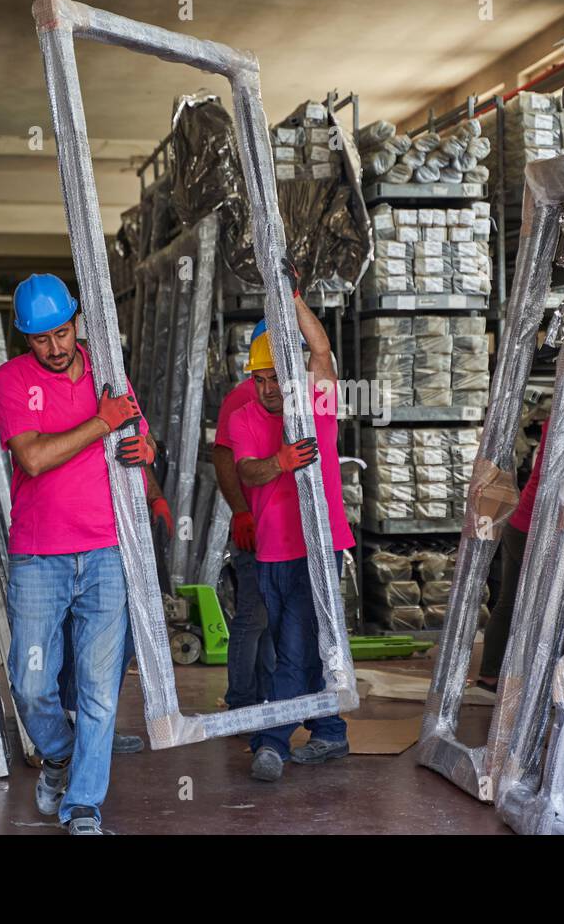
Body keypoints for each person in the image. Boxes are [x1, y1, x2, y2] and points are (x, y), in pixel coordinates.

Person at [0, 273, 168, 835]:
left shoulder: (109, 374)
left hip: (105, 553)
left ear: (76, 324)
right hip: (39, 555)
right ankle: (61, 755)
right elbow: (35, 458)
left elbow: (135, 437)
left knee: (98, 688)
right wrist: (101, 422)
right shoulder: (12, 380)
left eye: (62, 333)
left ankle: (84, 806)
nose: (54, 347)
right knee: (31, 682)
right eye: (41, 339)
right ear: (26, 339)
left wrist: (147, 450)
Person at [228, 295, 355, 782]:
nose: (266, 390)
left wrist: (293, 300)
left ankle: (272, 742)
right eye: (258, 380)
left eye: (275, 379)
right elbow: (247, 472)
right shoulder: (243, 418)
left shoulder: (315, 406)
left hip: (318, 549)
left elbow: (322, 351)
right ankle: (330, 729)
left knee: (295, 648)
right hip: (270, 555)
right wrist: (281, 462)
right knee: (300, 643)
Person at [475, 420, 564, 691]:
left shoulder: (556, 422)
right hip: (535, 529)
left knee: (510, 601)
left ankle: (490, 675)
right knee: (550, 603)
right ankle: (535, 678)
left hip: (522, 524)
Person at [212, 347, 274, 709]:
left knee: (268, 619)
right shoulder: (242, 398)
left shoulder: (294, 396)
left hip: (278, 527)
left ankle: (264, 696)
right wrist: (240, 511)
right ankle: (241, 699)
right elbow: (223, 456)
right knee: (253, 615)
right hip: (255, 524)